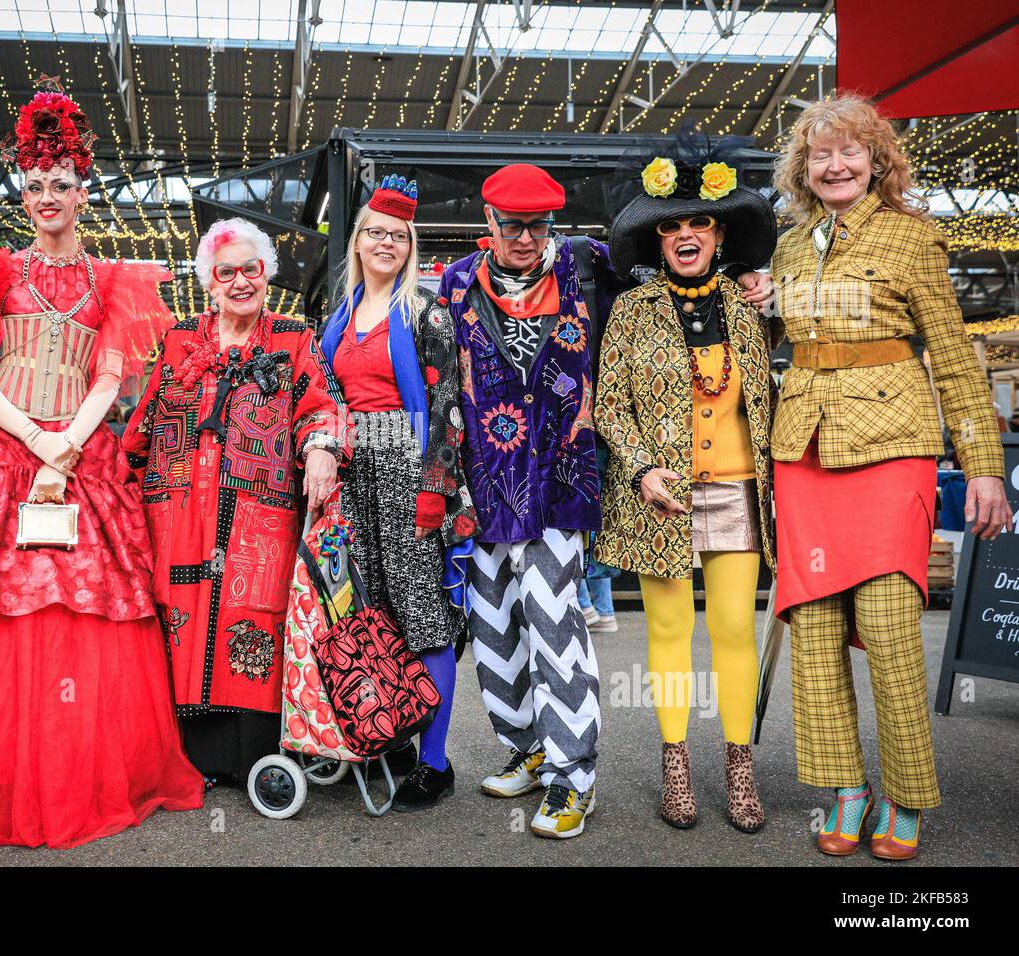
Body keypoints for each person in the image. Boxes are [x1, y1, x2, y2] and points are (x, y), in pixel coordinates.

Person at [0, 79, 203, 851]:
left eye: (61, 184)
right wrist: (34, 438)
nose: (46, 196)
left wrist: (70, 445)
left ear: (85, 194)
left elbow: (113, 376)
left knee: (80, 610)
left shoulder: (116, 281)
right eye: (35, 185)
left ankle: (72, 775)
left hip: (78, 453)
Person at [770, 93, 1009, 860]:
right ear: (803, 168)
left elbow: (957, 364)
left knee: (888, 626)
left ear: (877, 160)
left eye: (850, 152)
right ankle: (845, 789)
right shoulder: (788, 245)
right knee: (814, 631)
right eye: (820, 155)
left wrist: (983, 469)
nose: (835, 166)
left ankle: (906, 795)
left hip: (891, 447)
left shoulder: (914, 238)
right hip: (802, 450)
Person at [123, 217, 350, 786]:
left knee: (252, 622)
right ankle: (184, 759)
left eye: (252, 268)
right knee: (178, 616)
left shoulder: (292, 337)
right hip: (177, 510)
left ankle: (250, 759)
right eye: (227, 272)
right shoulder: (179, 337)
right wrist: (117, 478)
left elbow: (322, 406)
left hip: (258, 516)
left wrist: (322, 448)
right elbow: (146, 418)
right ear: (209, 280)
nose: (241, 281)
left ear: (267, 273)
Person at [596, 143, 778, 832]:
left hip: (736, 489)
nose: (685, 236)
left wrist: (779, 292)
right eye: (670, 228)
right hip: (658, 496)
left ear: (720, 233)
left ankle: (739, 766)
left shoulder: (750, 303)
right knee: (669, 634)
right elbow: (609, 404)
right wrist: (642, 468)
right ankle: (676, 763)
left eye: (698, 223)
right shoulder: (632, 310)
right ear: (656, 240)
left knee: (733, 629)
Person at [438, 163, 608, 839]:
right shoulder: (456, 284)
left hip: (557, 483)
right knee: (495, 632)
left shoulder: (584, 269)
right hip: (483, 487)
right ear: (489, 223)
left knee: (556, 631)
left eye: (539, 226)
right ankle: (529, 748)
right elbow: (441, 377)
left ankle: (573, 778)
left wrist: (749, 276)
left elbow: (668, 272)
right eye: (513, 225)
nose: (527, 238)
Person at [319, 174, 479, 811]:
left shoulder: (427, 311)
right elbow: (323, 395)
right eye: (375, 233)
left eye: (398, 236)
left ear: (410, 246)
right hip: (355, 478)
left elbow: (446, 407)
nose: (386, 243)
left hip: (408, 472)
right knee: (372, 612)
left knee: (425, 619)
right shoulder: (338, 317)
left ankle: (435, 760)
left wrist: (436, 488)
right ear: (357, 241)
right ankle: (397, 737)